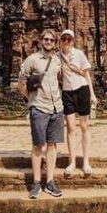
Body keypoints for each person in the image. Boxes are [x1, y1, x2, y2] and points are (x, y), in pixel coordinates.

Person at [17, 29, 64, 199]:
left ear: (55, 42)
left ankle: (50, 181)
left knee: (52, 145)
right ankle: (36, 182)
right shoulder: (32, 59)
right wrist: (30, 99)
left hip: (56, 108)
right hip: (39, 107)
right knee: (38, 146)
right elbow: (21, 81)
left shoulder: (58, 60)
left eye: (51, 40)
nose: (49, 42)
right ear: (40, 41)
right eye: (46, 39)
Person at [57, 29, 98, 177]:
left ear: (73, 41)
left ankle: (86, 161)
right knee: (70, 128)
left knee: (84, 126)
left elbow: (86, 74)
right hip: (67, 92)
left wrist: (92, 94)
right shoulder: (57, 57)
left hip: (82, 90)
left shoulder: (79, 54)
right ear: (60, 40)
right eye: (64, 39)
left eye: (69, 39)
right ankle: (72, 162)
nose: (66, 41)